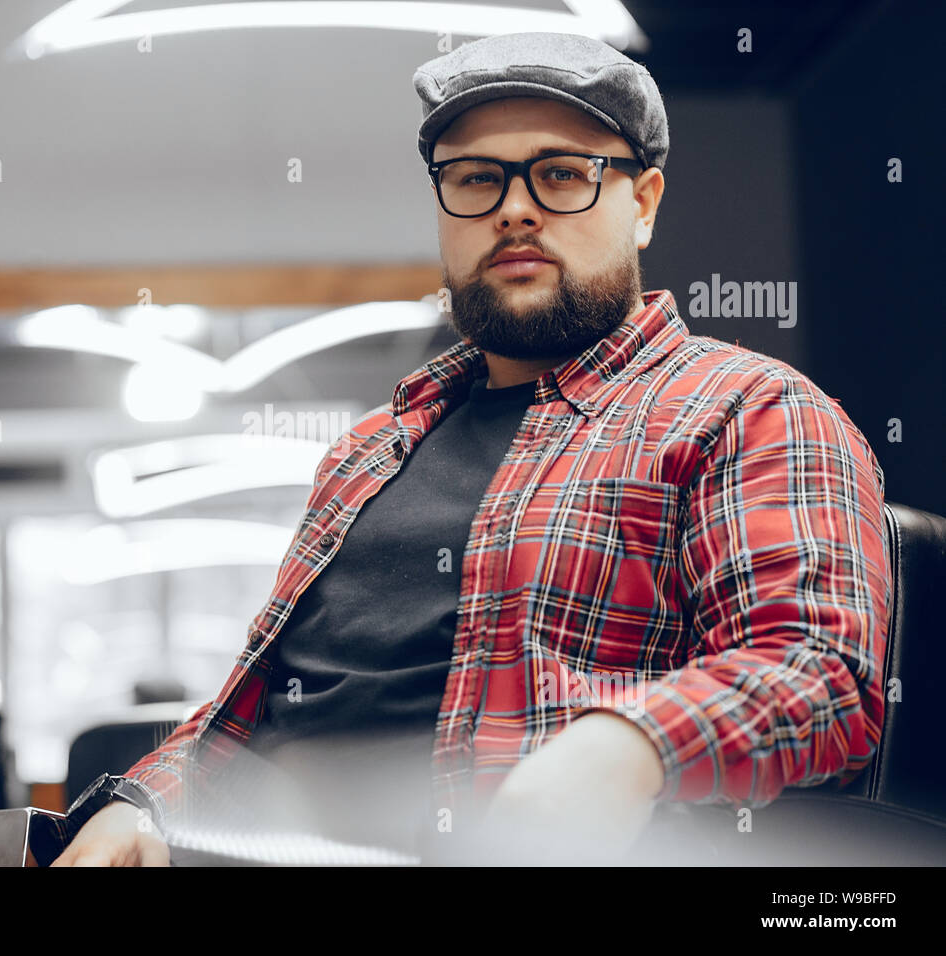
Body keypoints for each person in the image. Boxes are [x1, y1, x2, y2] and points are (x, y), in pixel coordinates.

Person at [53, 32, 891, 866]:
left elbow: (821, 674)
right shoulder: (367, 453)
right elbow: (260, 705)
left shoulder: (748, 408)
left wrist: (627, 745)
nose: (514, 208)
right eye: (476, 179)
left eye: (562, 173)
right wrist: (146, 802)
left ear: (643, 204)